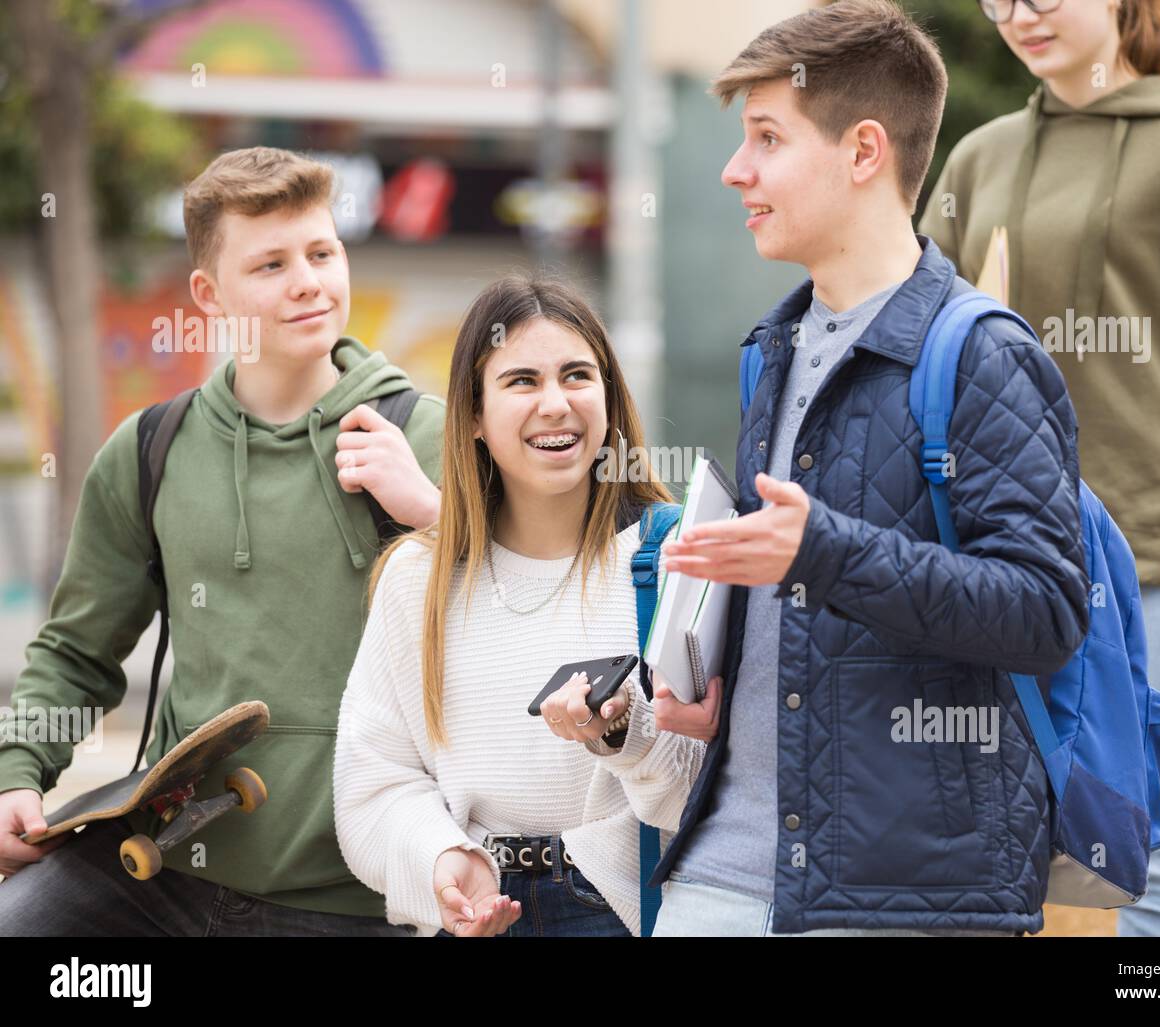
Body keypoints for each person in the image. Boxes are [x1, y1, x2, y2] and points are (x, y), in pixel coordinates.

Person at [646, 0, 1090, 936]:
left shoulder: (983, 353)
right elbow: (794, 608)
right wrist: (712, 690)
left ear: (863, 152)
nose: (736, 170)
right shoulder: (768, 346)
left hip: (904, 899)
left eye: (768, 137)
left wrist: (824, 549)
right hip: (717, 874)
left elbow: (1046, 612)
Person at [919, 0, 1160, 937]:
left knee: (1141, 854)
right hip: (1033, 558)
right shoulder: (980, 158)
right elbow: (923, 337)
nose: (1020, 12)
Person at [0, 146, 445, 936]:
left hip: (354, 898)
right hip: (158, 871)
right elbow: (77, 652)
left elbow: (528, 602)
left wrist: (431, 512)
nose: (309, 280)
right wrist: (15, 773)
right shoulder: (151, 448)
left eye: (321, 252)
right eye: (271, 264)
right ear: (208, 294)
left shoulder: (422, 435)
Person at [333, 275, 716, 938]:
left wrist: (625, 734)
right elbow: (373, 782)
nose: (555, 404)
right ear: (473, 415)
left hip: (628, 913)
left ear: (609, 398)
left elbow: (718, 798)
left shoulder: (680, 556)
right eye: (521, 381)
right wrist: (443, 861)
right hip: (474, 917)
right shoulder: (416, 578)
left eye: (576, 375)